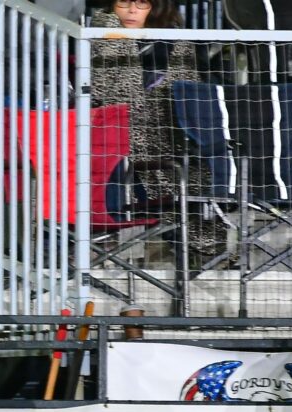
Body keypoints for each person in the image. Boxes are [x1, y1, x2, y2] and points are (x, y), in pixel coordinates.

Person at [88, 0, 225, 261]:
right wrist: (117, 35)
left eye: (141, 4)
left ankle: (195, 248)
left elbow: (189, 96)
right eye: (124, 3)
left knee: (184, 174)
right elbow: (104, 91)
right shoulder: (102, 33)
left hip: (171, 136)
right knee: (139, 168)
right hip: (116, 134)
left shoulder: (176, 41)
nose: (131, 11)